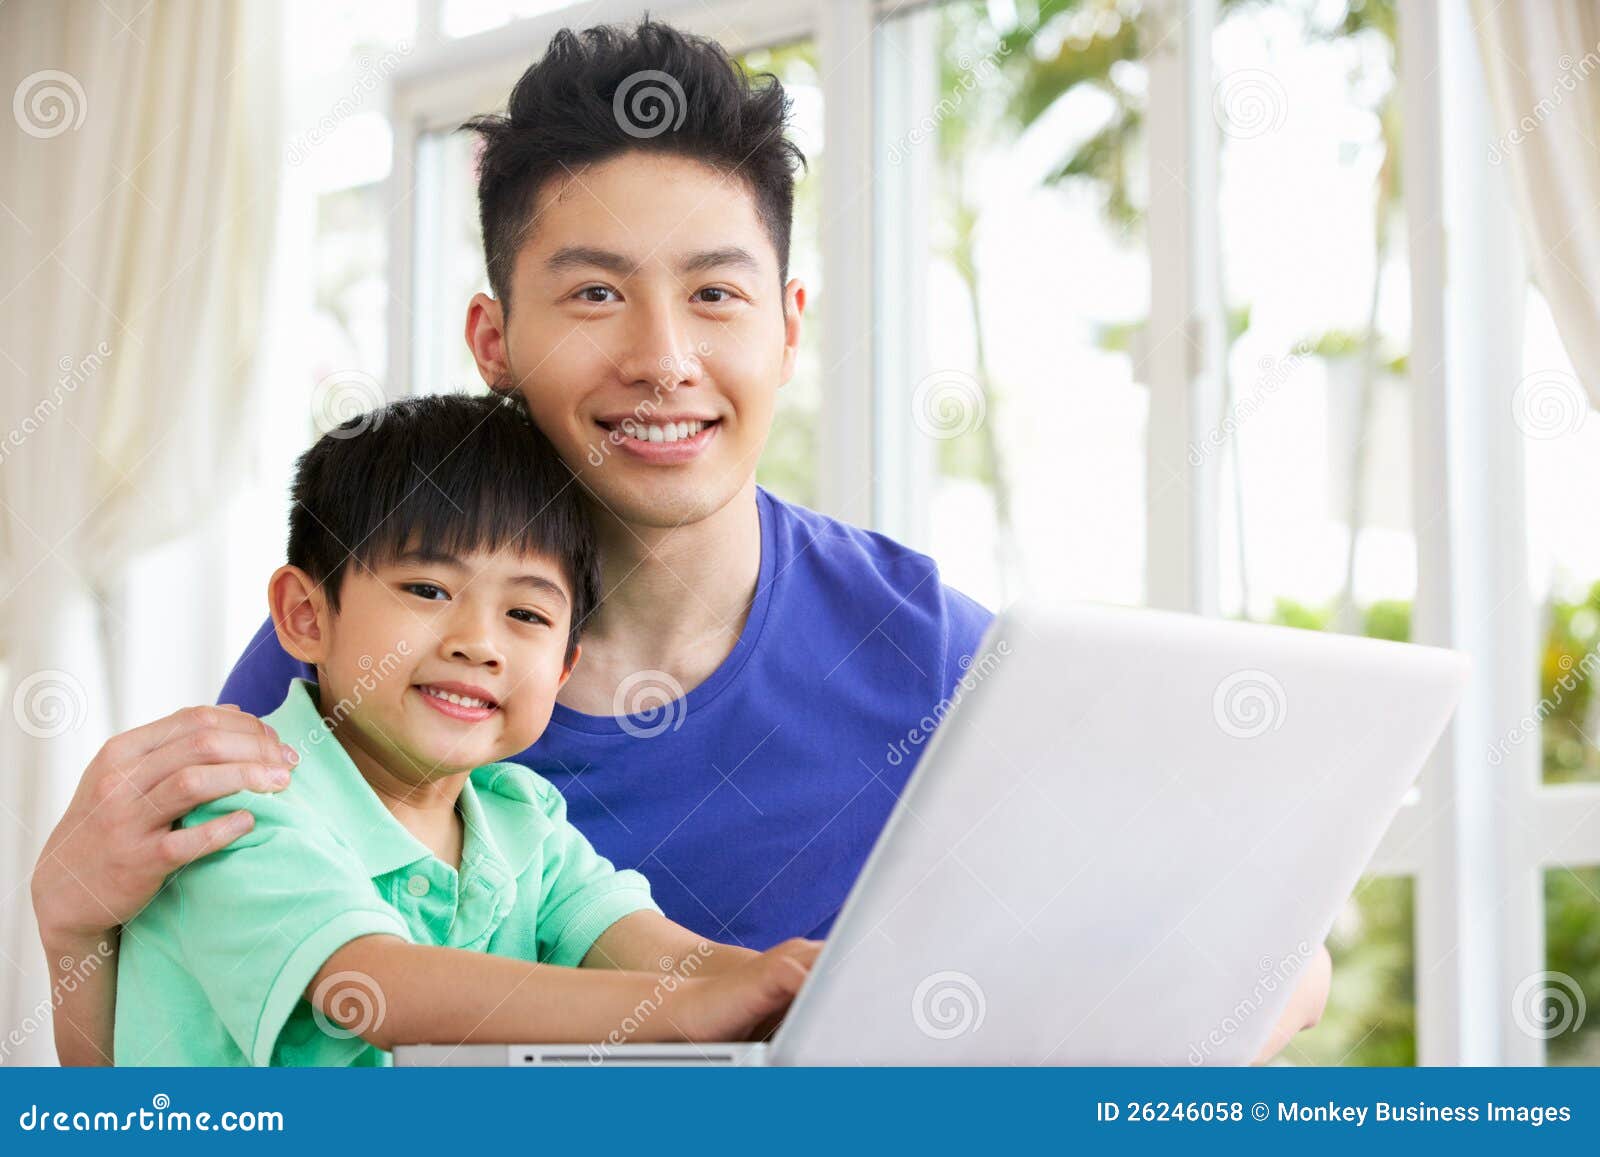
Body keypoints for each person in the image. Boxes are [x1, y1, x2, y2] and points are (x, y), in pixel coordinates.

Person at [32, 17, 1329, 1066]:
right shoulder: (364, 652)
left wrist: (1197, 1023)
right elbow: (168, 1075)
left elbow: (1268, 942)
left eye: (715, 294)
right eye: (594, 293)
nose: (663, 361)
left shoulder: (921, 644)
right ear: (494, 342)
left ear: (787, 326)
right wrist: (66, 927)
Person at [116, 393, 818, 1065]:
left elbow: (646, 944)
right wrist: (685, 1010)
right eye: (428, 591)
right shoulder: (243, 805)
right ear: (307, 615)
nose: (479, 642)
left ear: (565, 666)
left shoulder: (521, 816)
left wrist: (791, 983)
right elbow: (376, 989)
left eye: (528, 615)